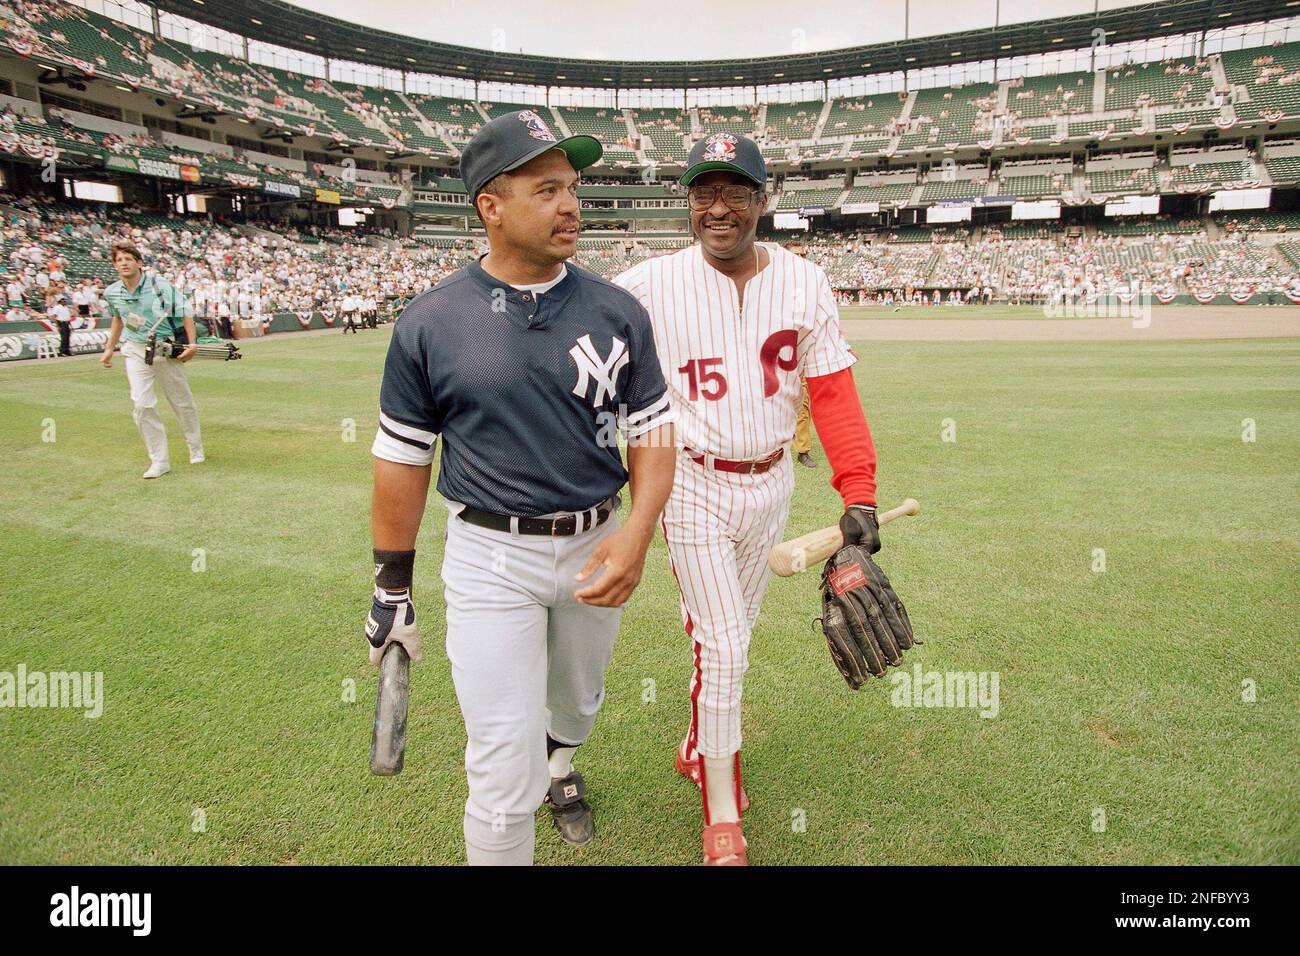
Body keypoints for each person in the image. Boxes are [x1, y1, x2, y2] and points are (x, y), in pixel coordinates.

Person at [365, 110, 677, 866]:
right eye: (546, 189)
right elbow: (402, 458)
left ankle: (561, 763)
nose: (571, 205)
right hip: (488, 557)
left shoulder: (618, 310)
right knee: (500, 769)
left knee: (576, 704)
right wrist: (391, 586)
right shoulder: (431, 322)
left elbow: (655, 434)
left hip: (598, 542)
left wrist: (636, 535)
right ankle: (523, 790)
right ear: (490, 206)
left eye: (572, 188)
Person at [614, 133, 890, 865]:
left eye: (735, 191)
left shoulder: (805, 282)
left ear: (763, 201)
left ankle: (697, 742)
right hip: (690, 482)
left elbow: (832, 394)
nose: (718, 207)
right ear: (689, 203)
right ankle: (722, 814)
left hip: (772, 483)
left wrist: (857, 492)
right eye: (704, 192)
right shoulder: (646, 284)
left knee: (728, 640)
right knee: (726, 645)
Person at [99, 242, 204, 479]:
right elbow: (118, 319)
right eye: (119, 260)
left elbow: (184, 312)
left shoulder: (160, 285)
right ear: (115, 265)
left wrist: (192, 343)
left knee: (181, 402)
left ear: (138, 262)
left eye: (128, 258)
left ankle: (195, 447)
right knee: (141, 404)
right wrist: (109, 349)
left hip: (164, 347)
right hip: (135, 350)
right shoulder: (112, 291)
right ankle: (159, 461)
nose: (123, 263)